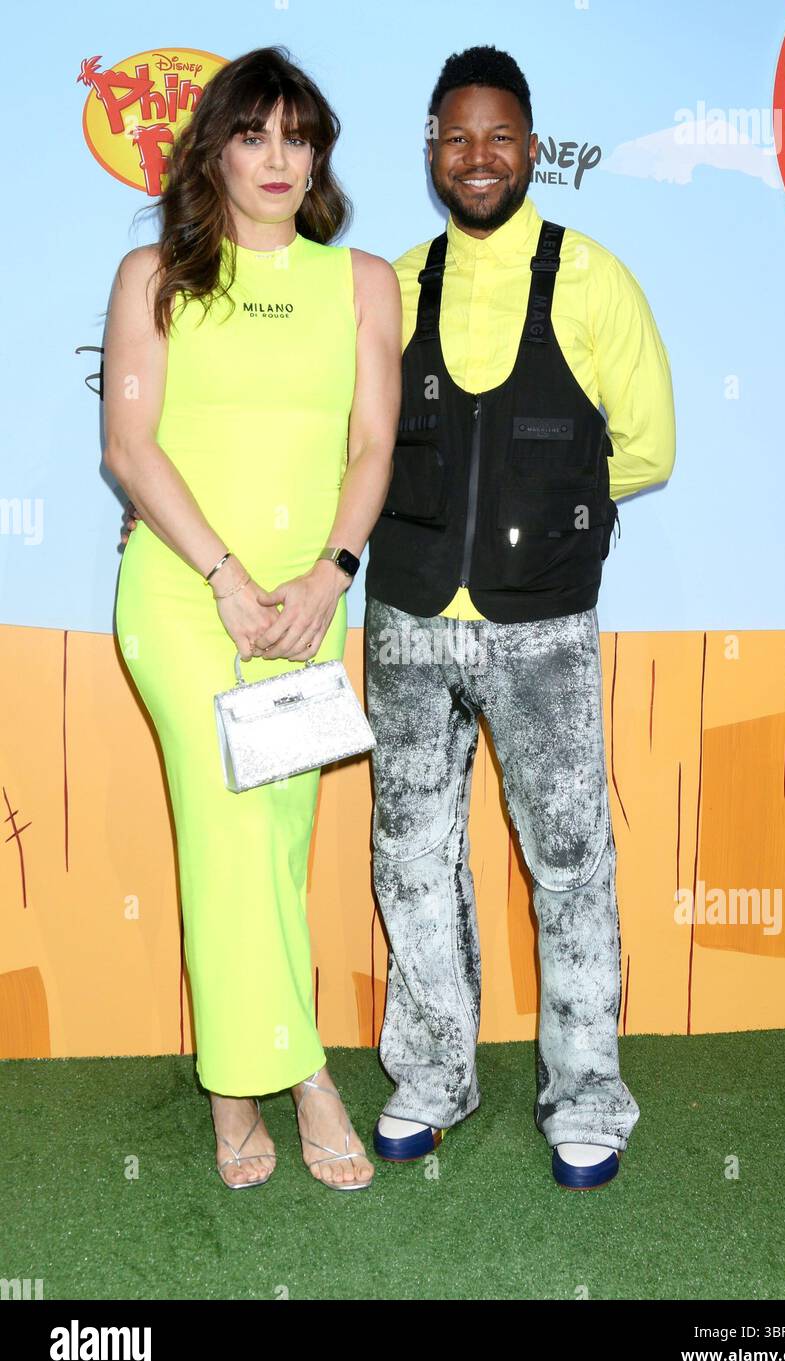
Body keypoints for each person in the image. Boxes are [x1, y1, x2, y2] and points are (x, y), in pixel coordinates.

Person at [364, 47, 675, 1189]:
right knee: (407, 854)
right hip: (401, 618)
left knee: (569, 860)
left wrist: (544, 516)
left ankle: (585, 1094)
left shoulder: (593, 279)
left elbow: (644, 444)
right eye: (455, 136)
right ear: (431, 148)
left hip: (540, 625)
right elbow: (359, 448)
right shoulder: (392, 284)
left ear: (532, 148)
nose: (477, 157)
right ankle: (434, 1074)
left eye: (498, 136)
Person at [105, 46, 401, 1191]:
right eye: (254, 134)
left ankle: (238, 1078)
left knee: (274, 842)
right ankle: (295, 1075)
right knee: (230, 826)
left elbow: (372, 443)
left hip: (308, 596)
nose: (279, 158)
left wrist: (331, 572)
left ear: (317, 154)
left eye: (298, 136)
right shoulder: (154, 276)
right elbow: (131, 446)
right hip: (186, 594)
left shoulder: (361, 281)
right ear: (215, 149)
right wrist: (226, 576)